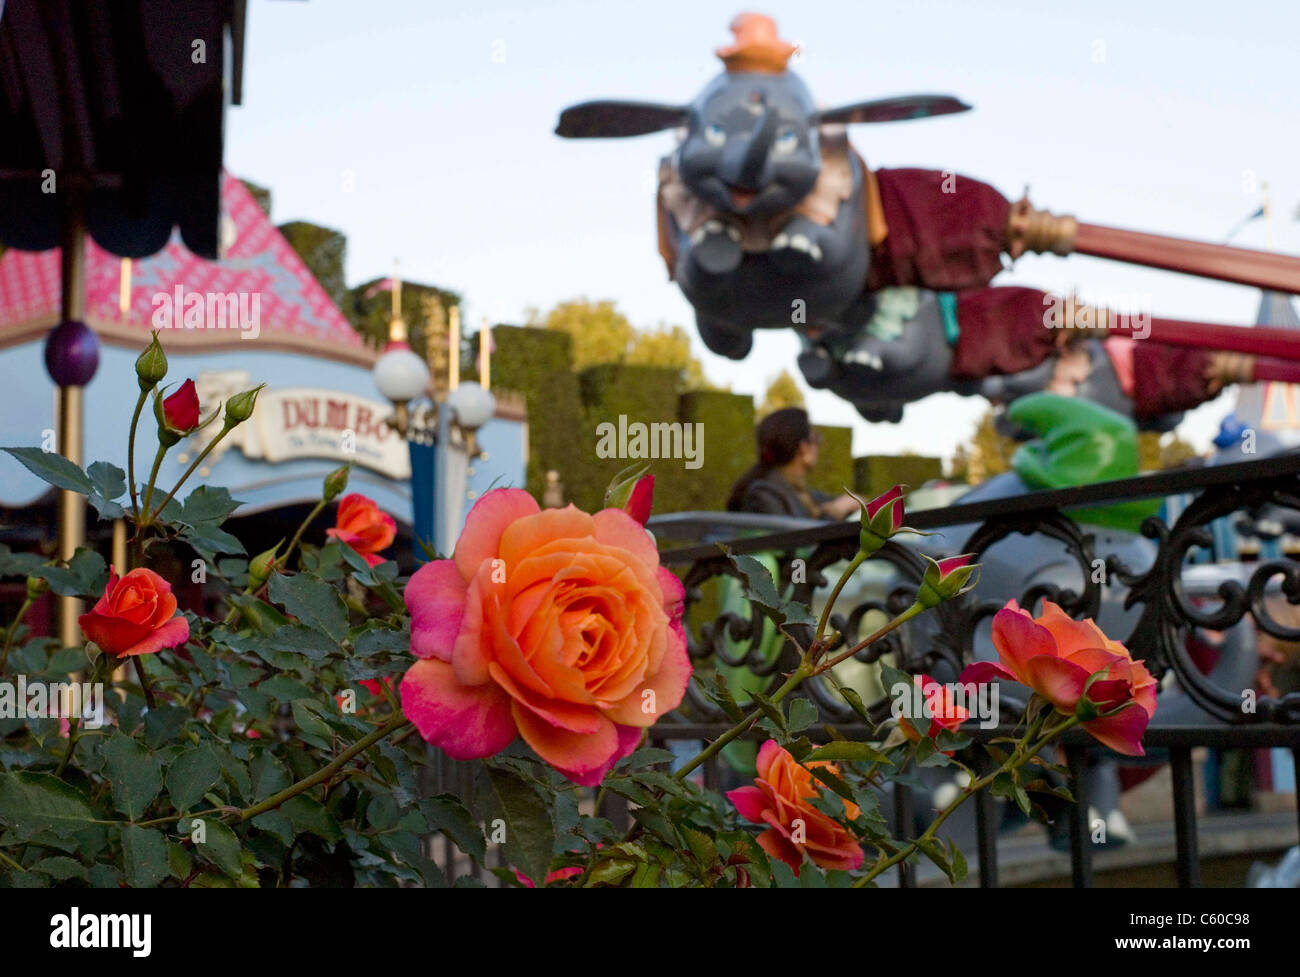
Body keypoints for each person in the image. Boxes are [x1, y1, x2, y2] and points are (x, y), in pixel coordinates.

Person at [726, 407, 858, 518]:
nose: (818, 446)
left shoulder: (805, 493)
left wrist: (846, 504)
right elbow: (792, 542)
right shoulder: (763, 496)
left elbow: (855, 501)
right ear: (803, 447)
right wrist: (834, 511)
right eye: (816, 439)